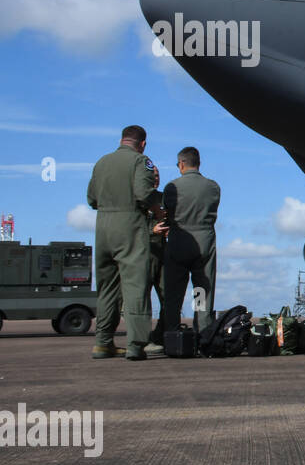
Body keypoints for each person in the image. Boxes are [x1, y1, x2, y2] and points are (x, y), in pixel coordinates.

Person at [86, 125, 155, 360]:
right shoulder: (141, 162)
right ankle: (135, 345)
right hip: (130, 226)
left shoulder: (101, 162)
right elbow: (143, 194)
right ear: (142, 143)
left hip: (103, 227)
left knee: (107, 288)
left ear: (121, 139)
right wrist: (158, 204)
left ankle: (102, 342)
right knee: (135, 285)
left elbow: (91, 198)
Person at [162, 146, 221, 338]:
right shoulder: (213, 187)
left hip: (179, 239)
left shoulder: (172, 187)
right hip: (204, 242)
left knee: (174, 293)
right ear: (199, 163)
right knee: (201, 290)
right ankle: (202, 331)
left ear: (181, 164)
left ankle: (171, 333)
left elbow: (167, 215)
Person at [142, 157, 168, 353]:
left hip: (163, 253)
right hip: (144, 253)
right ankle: (142, 339)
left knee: (169, 296)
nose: (156, 178)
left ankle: (159, 335)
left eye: (158, 175)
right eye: (152, 175)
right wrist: (152, 230)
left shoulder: (163, 199)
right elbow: (130, 227)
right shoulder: (139, 199)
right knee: (142, 299)